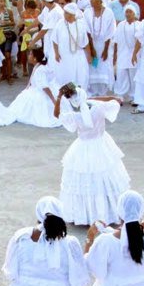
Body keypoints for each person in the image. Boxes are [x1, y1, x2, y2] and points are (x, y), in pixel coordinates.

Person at [56, 85, 130, 225]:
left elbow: (57, 114)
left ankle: (87, 214)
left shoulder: (74, 116)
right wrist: (114, 97)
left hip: (83, 148)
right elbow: (110, 102)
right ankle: (110, 209)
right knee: (105, 177)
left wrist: (59, 98)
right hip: (102, 145)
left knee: (85, 180)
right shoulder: (98, 107)